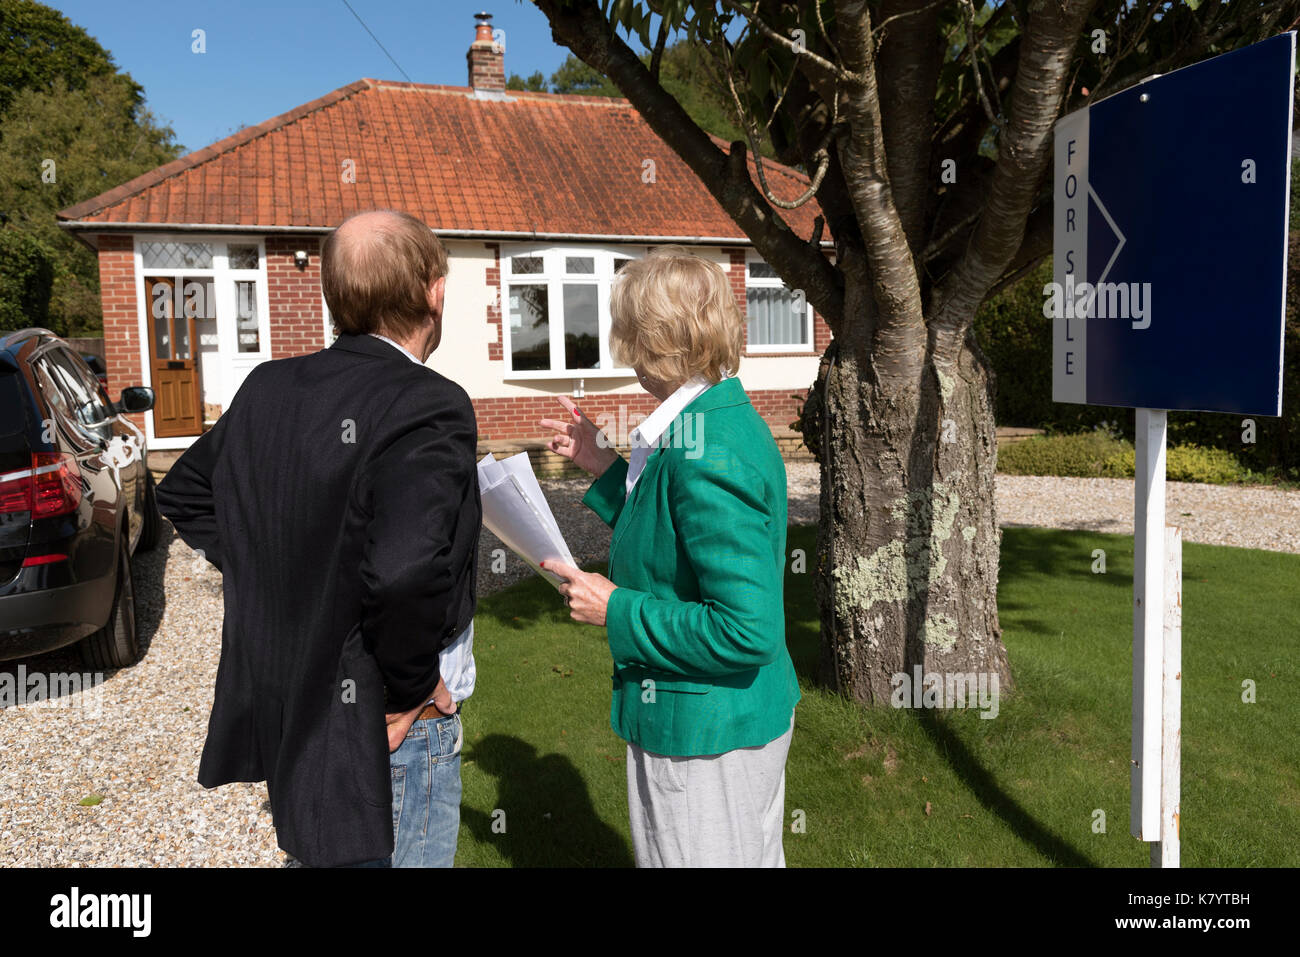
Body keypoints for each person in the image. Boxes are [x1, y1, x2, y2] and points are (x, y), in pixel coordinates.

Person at [157, 209, 480, 868]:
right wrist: (410, 690)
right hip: (383, 730)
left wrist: (289, 560)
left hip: (302, 716)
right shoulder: (427, 401)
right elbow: (403, 572)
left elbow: (184, 492)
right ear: (434, 291)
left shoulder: (268, 387)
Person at [539, 247, 800, 867]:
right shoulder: (712, 414)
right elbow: (671, 531)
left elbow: (746, 628)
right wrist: (604, 466)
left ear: (648, 339)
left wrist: (617, 610)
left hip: (704, 733)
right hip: (724, 720)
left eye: (626, 329)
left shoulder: (705, 448)